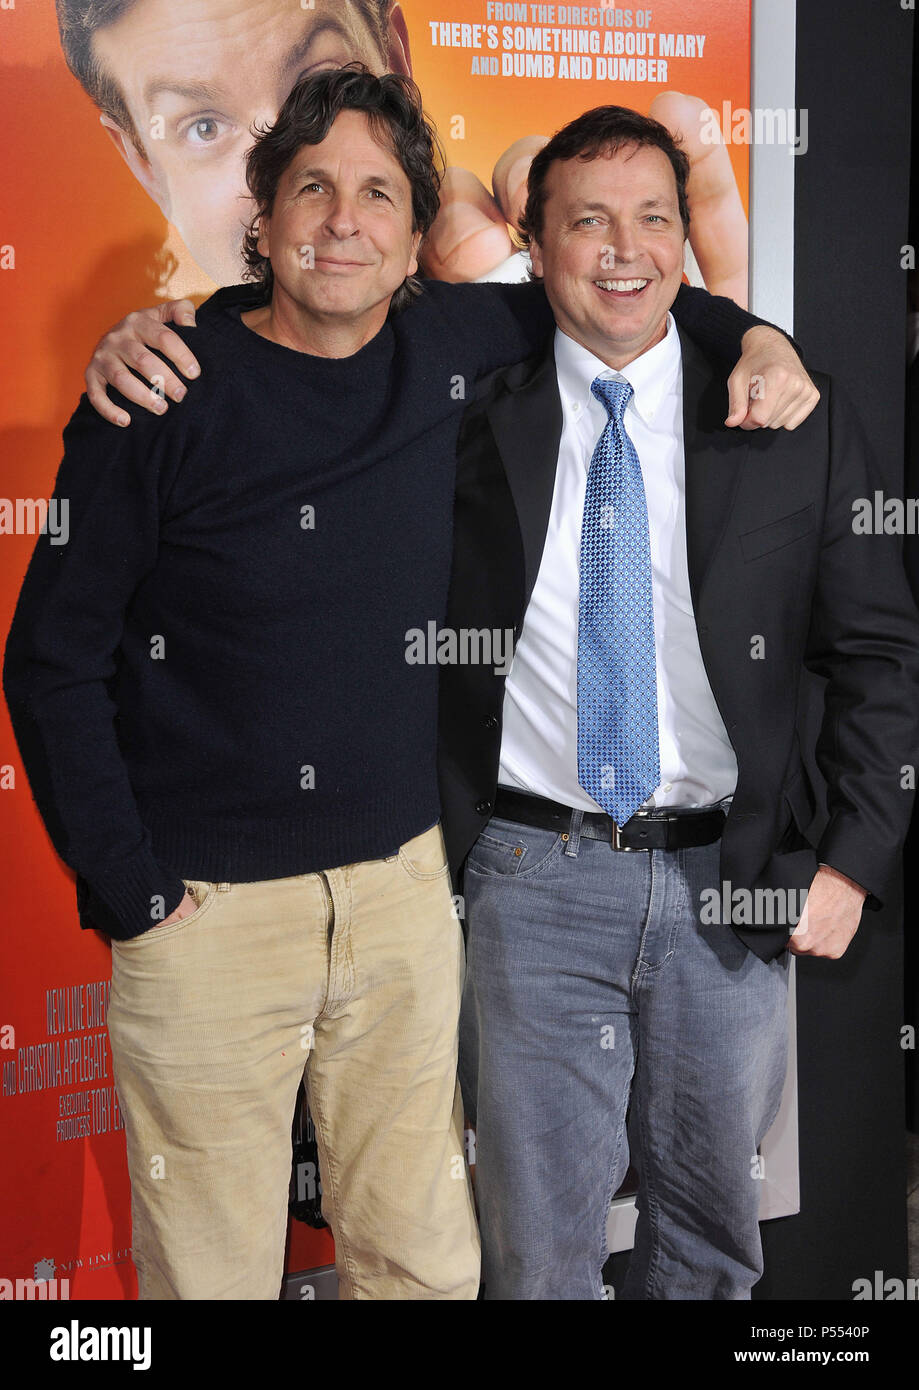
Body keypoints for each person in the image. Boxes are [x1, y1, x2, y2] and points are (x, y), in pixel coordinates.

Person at [39, 68, 818, 1302]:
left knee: (425, 1270)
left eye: (376, 194)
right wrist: (131, 893)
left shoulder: (459, 341)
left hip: (406, 899)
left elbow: (627, 297)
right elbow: (52, 661)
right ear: (264, 209)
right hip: (205, 914)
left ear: (416, 238)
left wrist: (759, 333)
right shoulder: (163, 388)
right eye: (313, 188)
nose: (343, 221)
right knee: (211, 1279)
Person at [437, 104, 919, 1300]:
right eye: (587, 221)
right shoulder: (461, 406)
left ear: (684, 243)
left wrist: (852, 860)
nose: (623, 249)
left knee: (710, 1246)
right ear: (534, 244)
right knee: (538, 1259)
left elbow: (877, 652)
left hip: (732, 879)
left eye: (654, 218)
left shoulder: (785, 415)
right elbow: (312, 314)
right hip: (530, 881)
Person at [56, 0, 752, 308]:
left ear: (394, 59)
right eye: (203, 127)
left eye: (321, 87)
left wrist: (699, 345)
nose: (284, 170)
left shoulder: (507, 333)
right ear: (142, 165)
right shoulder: (149, 417)